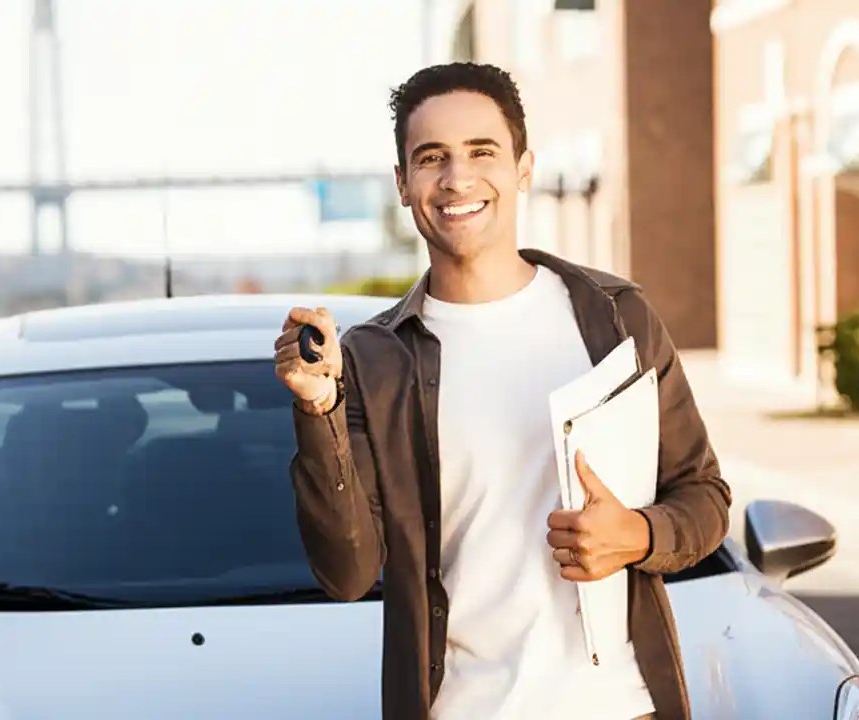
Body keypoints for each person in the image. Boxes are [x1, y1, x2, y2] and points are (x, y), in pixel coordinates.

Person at [273, 62, 730, 720]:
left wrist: (636, 533)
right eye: (432, 158)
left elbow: (705, 497)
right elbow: (346, 573)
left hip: (619, 707)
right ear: (403, 185)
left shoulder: (614, 318)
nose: (457, 178)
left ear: (523, 167)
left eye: (481, 152)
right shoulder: (371, 361)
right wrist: (318, 410)